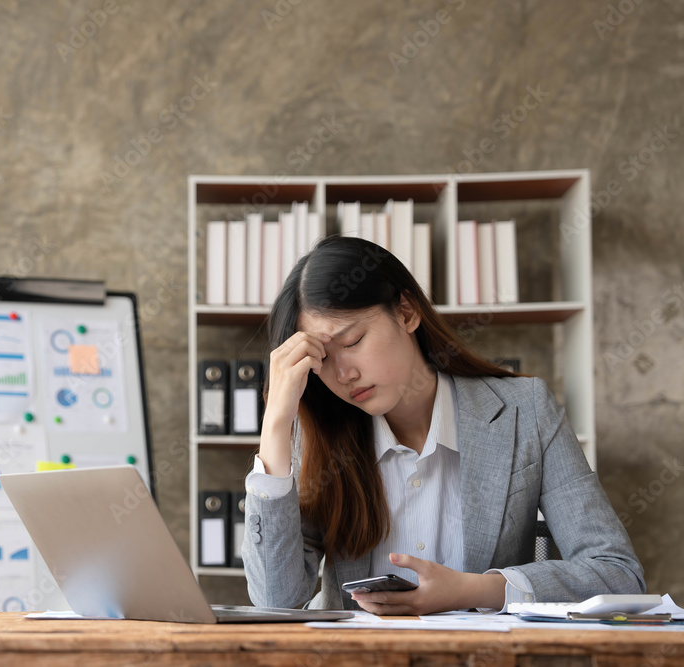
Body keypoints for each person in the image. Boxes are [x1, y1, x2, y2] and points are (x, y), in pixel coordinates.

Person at [241, 235, 644, 615]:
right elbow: (276, 600)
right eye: (323, 360)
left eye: (352, 342)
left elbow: (617, 573)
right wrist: (276, 423)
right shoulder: (316, 437)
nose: (343, 373)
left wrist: (475, 590)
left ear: (406, 312)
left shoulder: (527, 411)